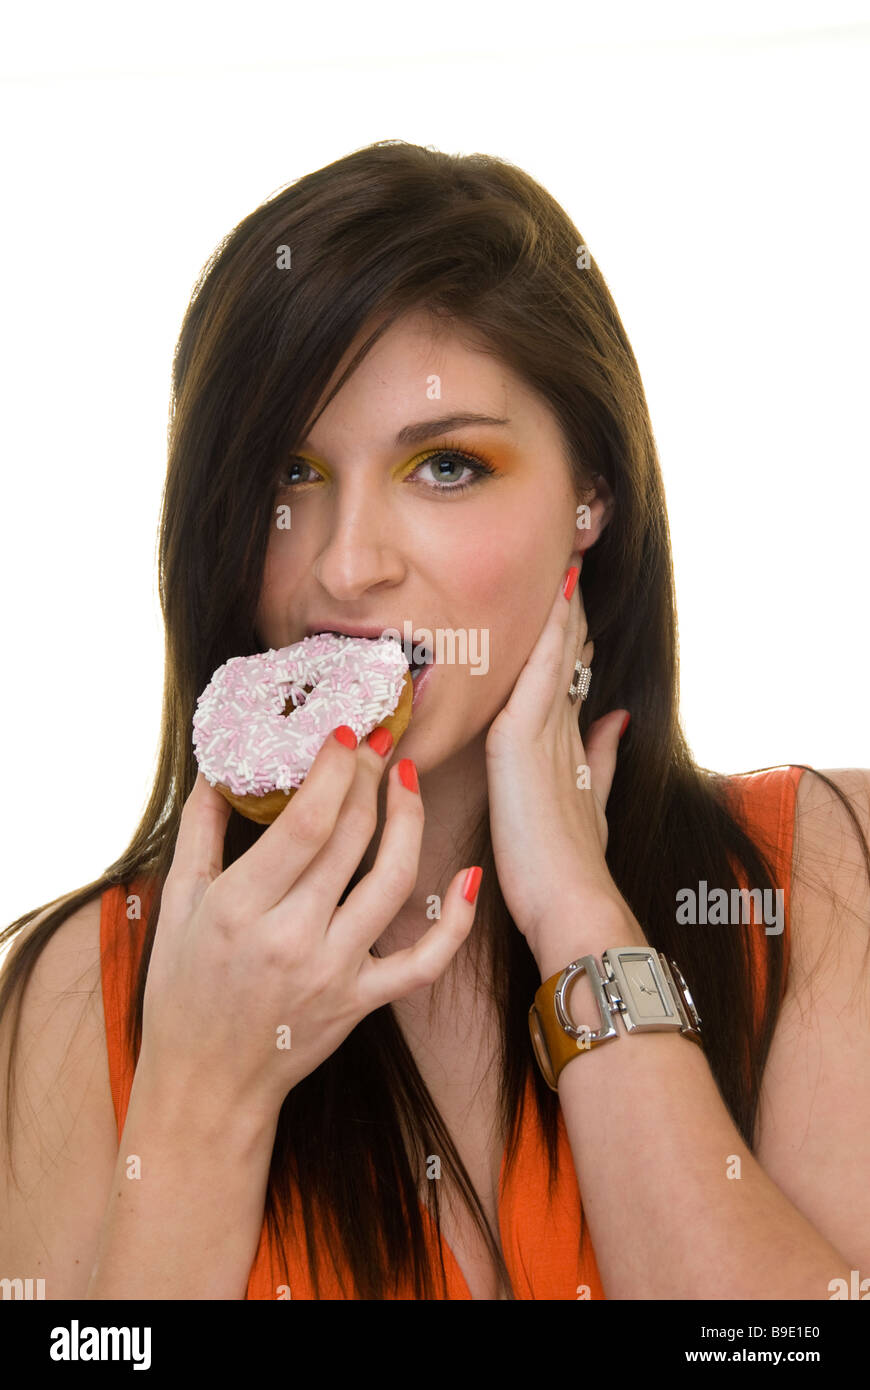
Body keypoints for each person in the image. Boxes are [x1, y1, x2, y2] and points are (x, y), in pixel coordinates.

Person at [2, 141, 868, 1302]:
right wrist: (203, 1093)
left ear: (590, 499)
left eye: (447, 465)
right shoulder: (72, 990)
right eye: (290, 474)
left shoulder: (814, 879)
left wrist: (581, 922)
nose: (347, 566)